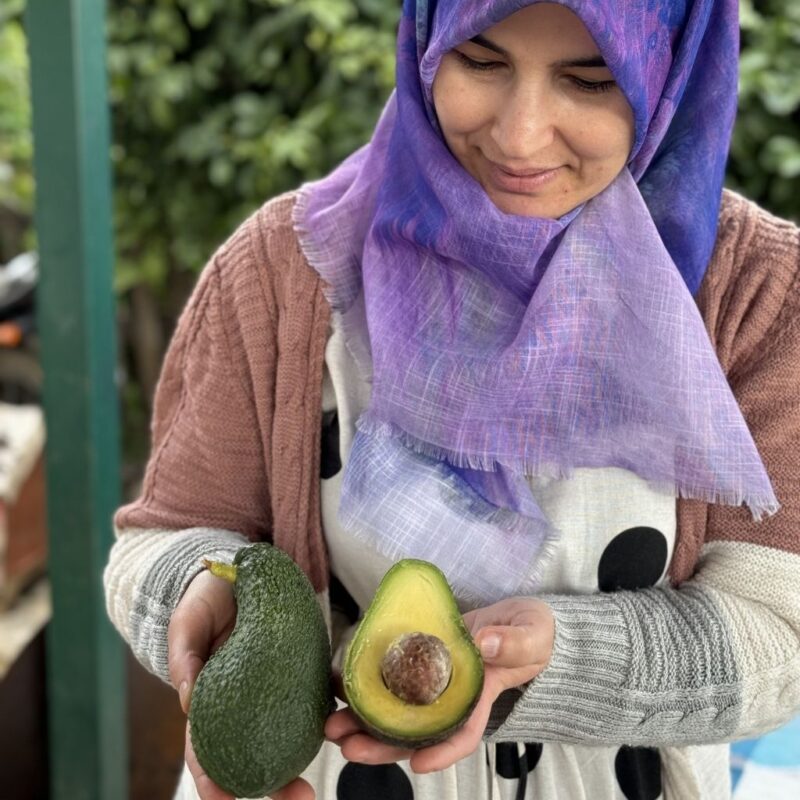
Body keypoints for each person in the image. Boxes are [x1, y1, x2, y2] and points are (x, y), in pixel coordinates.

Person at [104, 1, 800, 798]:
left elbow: (782, 636)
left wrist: (552, 656)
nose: (520, 135)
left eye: (591, 80)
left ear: (671, 74)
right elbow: (155, 543)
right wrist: (199, 588)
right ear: (426, 45)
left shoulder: (759, 295)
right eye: (481, 60)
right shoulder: (282, 269)